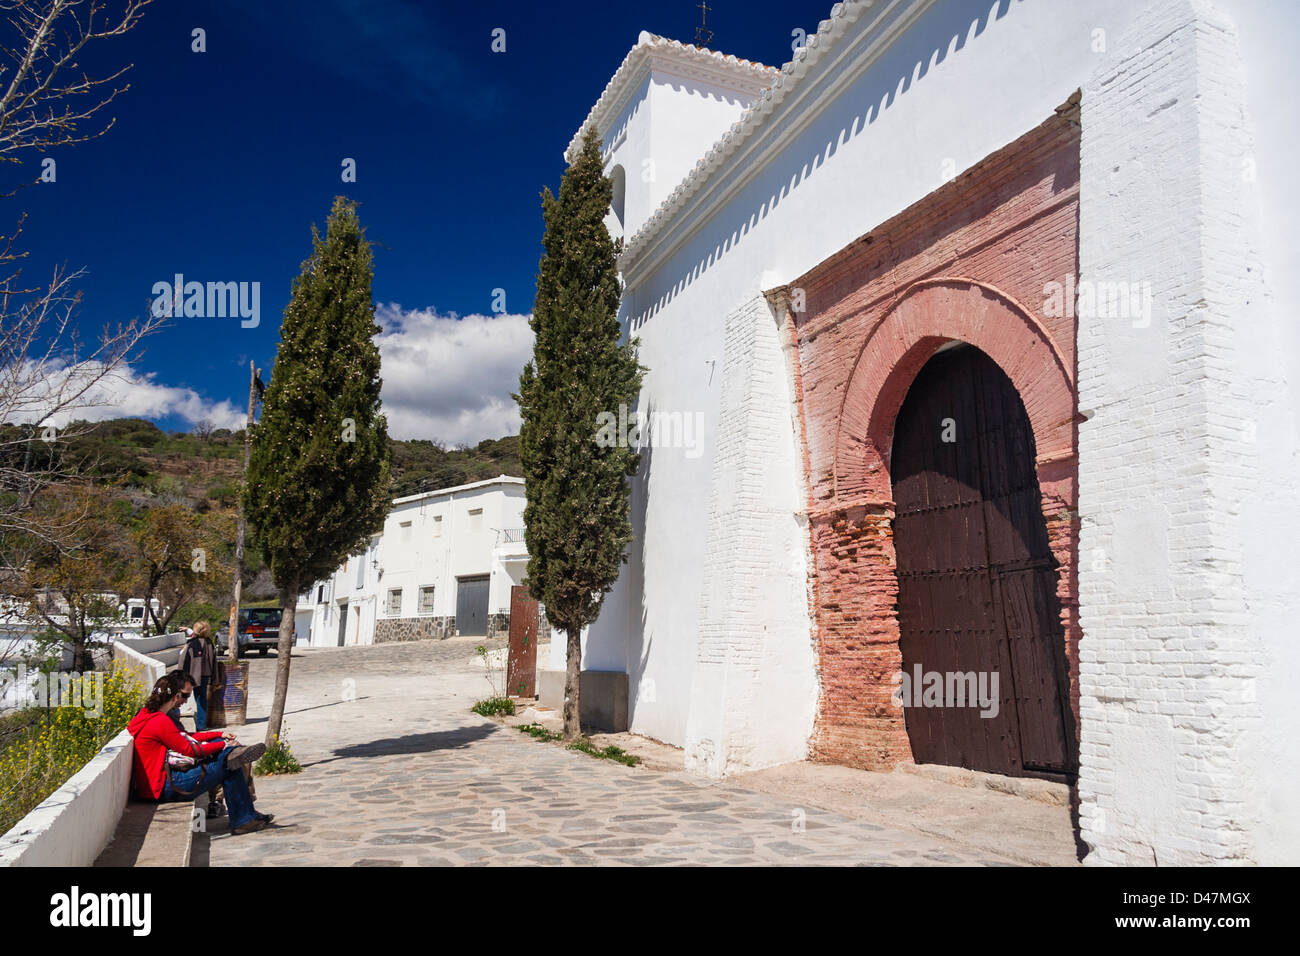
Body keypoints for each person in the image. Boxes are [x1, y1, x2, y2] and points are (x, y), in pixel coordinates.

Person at [127, 671, 273, 834]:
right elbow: (189, 749)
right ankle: (244, 817)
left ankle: (245, 817)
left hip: (157, 785)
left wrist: (219, 736)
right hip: (166, 786)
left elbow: (184, 737)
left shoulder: (147, 715)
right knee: (229, 763)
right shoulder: (160, 721)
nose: (185, 701)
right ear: (175, 696)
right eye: (184, 696)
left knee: (230, 760)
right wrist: (223, 746)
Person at [178, 621, 218, 731]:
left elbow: (182, 658)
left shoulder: (191, 644)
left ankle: (175, 723)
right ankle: (201, 725)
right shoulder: (209, 643)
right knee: (201, 700)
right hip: (204, 675)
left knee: (178, 697)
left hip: (190, 675)